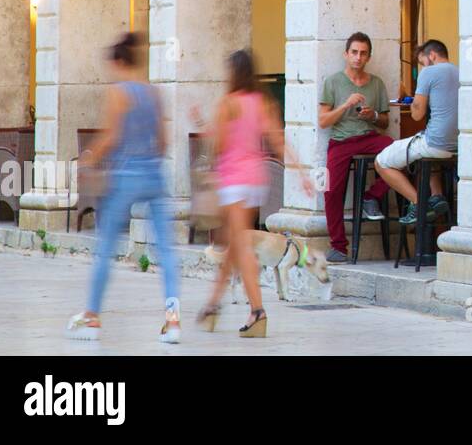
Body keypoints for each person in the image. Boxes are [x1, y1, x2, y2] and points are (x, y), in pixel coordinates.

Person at [66, 33, 181, 343]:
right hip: (154, 175)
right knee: (166, 250)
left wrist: (87, 160)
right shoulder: (154, 93)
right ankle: (172, 321)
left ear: (118, 62)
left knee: (105, 247)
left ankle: (92, 317)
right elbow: (163, 142)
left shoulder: (118, 92)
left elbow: (112, 136)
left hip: (126, 175)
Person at [197, 50, 312, 337]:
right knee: (235, 242)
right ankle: (212, 306)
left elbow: (220, 144)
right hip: (255, 180)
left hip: (233, 181)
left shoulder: (229, 103)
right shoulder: (262, 102)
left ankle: (257, 311)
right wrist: (301, 172)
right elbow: (278, 141)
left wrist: (204, 128)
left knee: (241, 245)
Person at [318, 32, 393, 263]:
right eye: (354, 52)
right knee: (331, 190)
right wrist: (346, 105)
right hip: (340, 141)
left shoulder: (377, 83)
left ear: (369, 57)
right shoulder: (333, 81)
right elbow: (323, 121)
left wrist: (373, 115)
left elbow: (385, 122)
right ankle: (338, 247)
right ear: (346, 54)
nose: (358, 57)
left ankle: (371, 197)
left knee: (398, 152)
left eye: (363, 53)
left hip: (368, 137)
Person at [375, 40, 458, 226]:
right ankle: (437, 196)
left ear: (432, 55)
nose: (422, 67)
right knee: (424, 154)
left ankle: (419, 204)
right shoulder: (460, 72)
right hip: (457, 146)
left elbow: (417, 114)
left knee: (381, 162)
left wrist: (414, 102)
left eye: (422, 62)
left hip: (436, 143)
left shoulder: (428, 72)